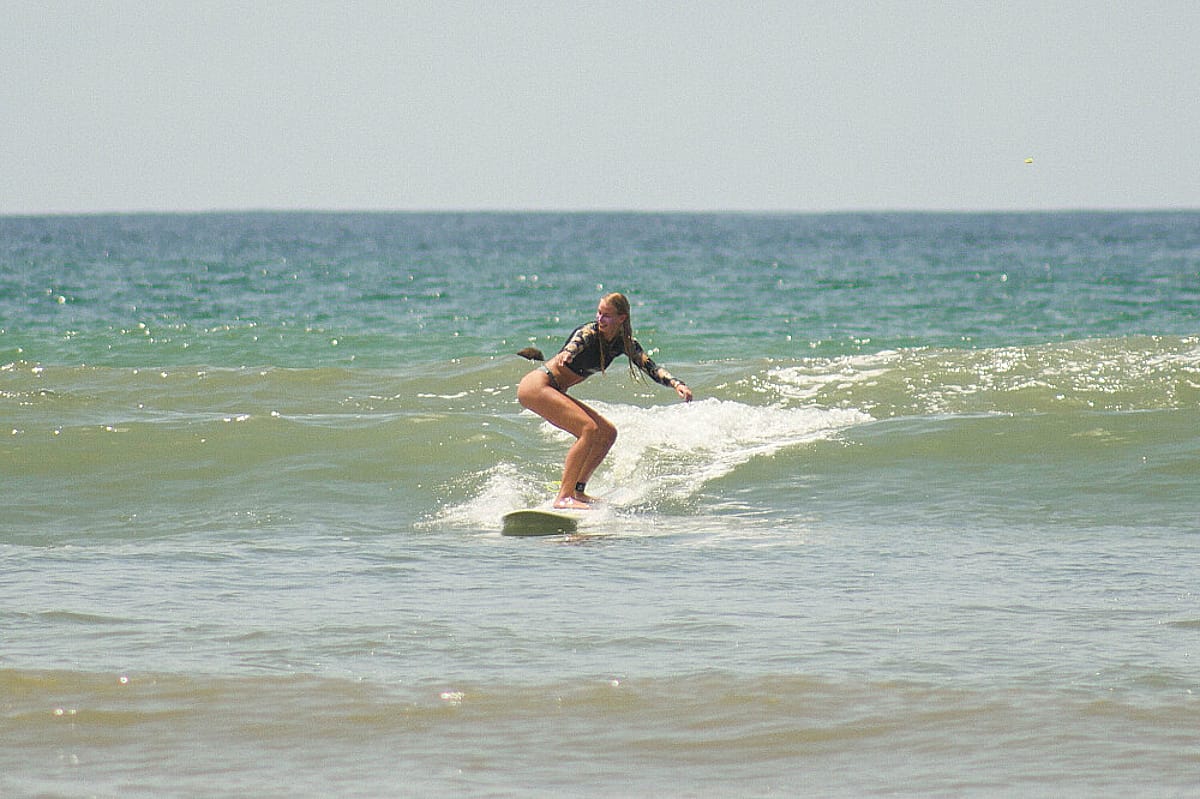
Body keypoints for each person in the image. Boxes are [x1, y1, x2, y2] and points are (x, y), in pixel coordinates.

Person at [517, 292, 693, 509]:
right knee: (588, 429)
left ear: (622, 318)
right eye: (599, 313)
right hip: (538, 385)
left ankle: (577, 491)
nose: (600, 319)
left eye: (607, 315)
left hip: (554, 389)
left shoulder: (623, 343)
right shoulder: (589, 333)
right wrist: (567, 353)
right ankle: (563, 497)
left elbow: (651, 367)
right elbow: (576, 342)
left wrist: (677, 384)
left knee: (607, 433)